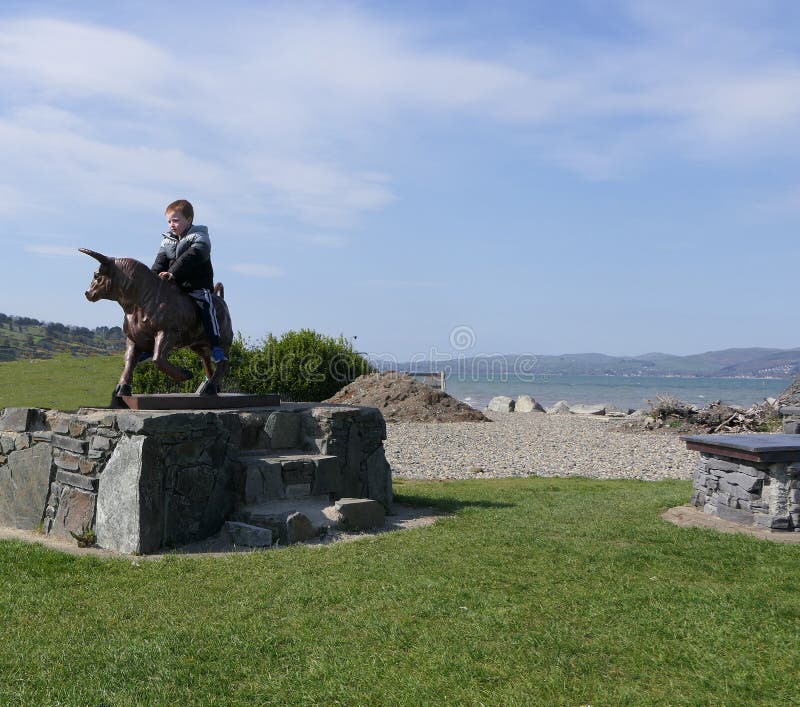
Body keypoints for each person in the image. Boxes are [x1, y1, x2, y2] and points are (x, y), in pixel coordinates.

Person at [151, 199, 227, 363]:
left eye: (176, 220)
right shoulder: (167, 241)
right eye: (169, 221)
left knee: (206, 307)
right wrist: (151, 279)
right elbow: (159, 263)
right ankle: (149, 345)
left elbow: (189, 258)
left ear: (189, 220)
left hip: (196, 286)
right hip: (174, 287)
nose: (172, 224)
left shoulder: (200, 237)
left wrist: (172, 273)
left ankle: (215, 346)